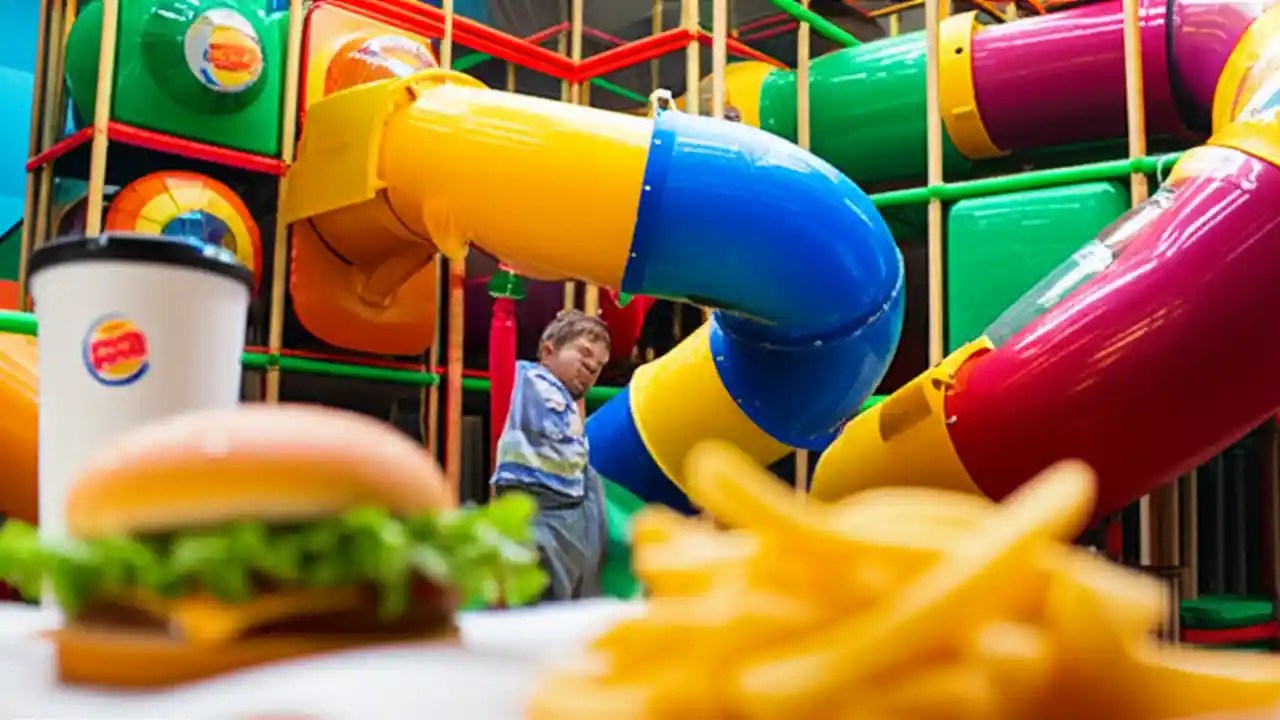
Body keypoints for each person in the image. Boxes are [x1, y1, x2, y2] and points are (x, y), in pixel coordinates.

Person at [491, 309, 611, 602]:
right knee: (540, 581)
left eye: (597, 367)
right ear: (547, 351)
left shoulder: (572, 404)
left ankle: (585, 600)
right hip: (533, 495)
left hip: (570, 503)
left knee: (577, 575)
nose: (590, 367)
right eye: (584, 353)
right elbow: (501, 360)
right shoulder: (526, 378)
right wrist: (506, 309)